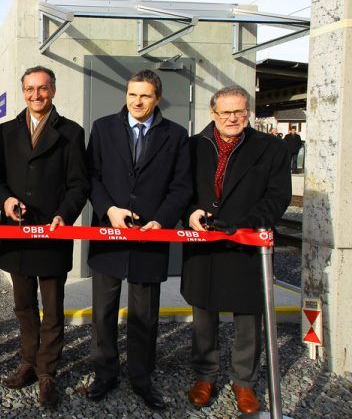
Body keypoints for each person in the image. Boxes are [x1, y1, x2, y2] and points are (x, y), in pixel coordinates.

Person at [85, 69, 192, 411]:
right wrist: (108, 210)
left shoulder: (175, 135)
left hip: (151, 236)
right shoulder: (103, 128)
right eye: (132, 94)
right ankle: (105, 373)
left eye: (145, 95)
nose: (137, 101)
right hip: (109, 233)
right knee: (103, 311)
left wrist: (161, 220)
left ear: (157, 98)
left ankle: (141, 376)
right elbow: (92, 176)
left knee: (145, 315)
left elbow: (181, 186)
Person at [182, 85, 291, 414]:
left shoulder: (270, 148)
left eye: (239, 111)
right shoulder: (192, 147)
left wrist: (246, 223)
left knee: (248, 318)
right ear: (213, 113)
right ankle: (205, 376)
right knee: (203, 314)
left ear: (248, 113)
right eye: (225, 112)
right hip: (205, 245)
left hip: (246, 245)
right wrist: (189, 212)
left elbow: (277, 195)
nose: (232, 118)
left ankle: (244, 382)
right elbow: (179, 188)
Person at [0, 66, 89, 408]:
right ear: (23, 91)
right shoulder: (5, 132)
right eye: (30, 89)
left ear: (53, 91)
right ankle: (28, 362)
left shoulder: (72, 133)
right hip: (16, 232)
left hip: (52, 231)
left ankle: (48, 371)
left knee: (53, 307)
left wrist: (65, 213)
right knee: (23, 306)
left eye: (43, 89)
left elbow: (79, 183)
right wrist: (5, 200)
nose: (36, 95)